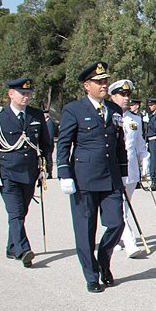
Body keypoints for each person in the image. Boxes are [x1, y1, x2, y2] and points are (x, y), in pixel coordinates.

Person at [56, 61, 129, 293]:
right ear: (87, 86)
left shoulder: (114, 110)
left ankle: (103, 261)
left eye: (105, 81)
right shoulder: (73, 110)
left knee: (116, 223)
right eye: (99, 82)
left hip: (110, 177)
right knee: (86, 229)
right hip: (84, 178)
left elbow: (119, 145)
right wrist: (64, 173)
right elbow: (64, 144)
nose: (104, 85)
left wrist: (124, 171)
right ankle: (91, 275)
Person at [0, 77, 54, 266]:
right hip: (8, 173)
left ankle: (12, 247)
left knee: (21, 212)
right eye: (22, 93)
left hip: (30, 173)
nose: (26, 97)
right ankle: (24, 250)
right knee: (15, 212)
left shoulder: (36, 116)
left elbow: (46, 144)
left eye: (29, 94)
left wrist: (45, 168)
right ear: (10, 94)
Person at [108, 80, 149, 258]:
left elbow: (140, 144)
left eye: (128, 95)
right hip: (113, 169)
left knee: (123, 206)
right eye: (122, 95)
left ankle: (115, 237)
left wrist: (145, 161)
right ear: (113, 96)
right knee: (120, 206)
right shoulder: (107, 116)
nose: (126, 98)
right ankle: (131, 243)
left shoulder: (135, 119)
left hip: (131, 170)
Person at [145, 97, 156, 189]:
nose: (150, 107)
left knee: (155, 160)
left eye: (151, 105)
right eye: (149, 105)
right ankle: (154, 178)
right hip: (150, 139)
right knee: (152, 160)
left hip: (155, 139)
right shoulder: (152, 115)